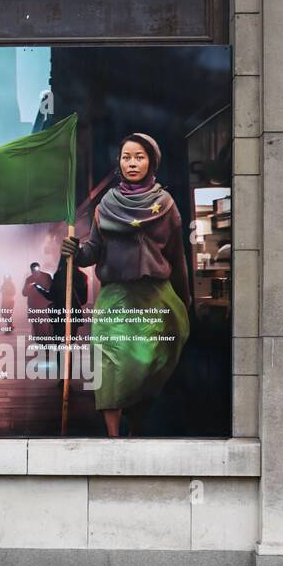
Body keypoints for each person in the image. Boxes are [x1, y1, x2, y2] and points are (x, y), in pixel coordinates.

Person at [60, 132, 191, 437]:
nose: (132, 163)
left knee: (145, 368)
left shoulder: (166, 205)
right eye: (126, 157)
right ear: (119, 162)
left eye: (139, 157)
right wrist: (75, 252)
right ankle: (113, 435)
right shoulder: (105, 205)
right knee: (110, 364)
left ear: (152, 161)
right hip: (115, 297)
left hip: (155, 298)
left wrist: (185, 302)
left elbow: (177, 256)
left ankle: (137, 427)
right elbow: (93, 250)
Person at [22, 261, 53, 340]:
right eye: (33, 270)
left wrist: (42, 289)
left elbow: (52, 290)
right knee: (36, 327)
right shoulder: (29, 279)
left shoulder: (46, 276)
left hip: (45, 306)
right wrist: (29, 287)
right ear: (31, 270)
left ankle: (47, 342)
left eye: (36, 269)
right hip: (33, 306)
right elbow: (24, 293)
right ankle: (41, 342)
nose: (35, 272)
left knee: (46, 326)